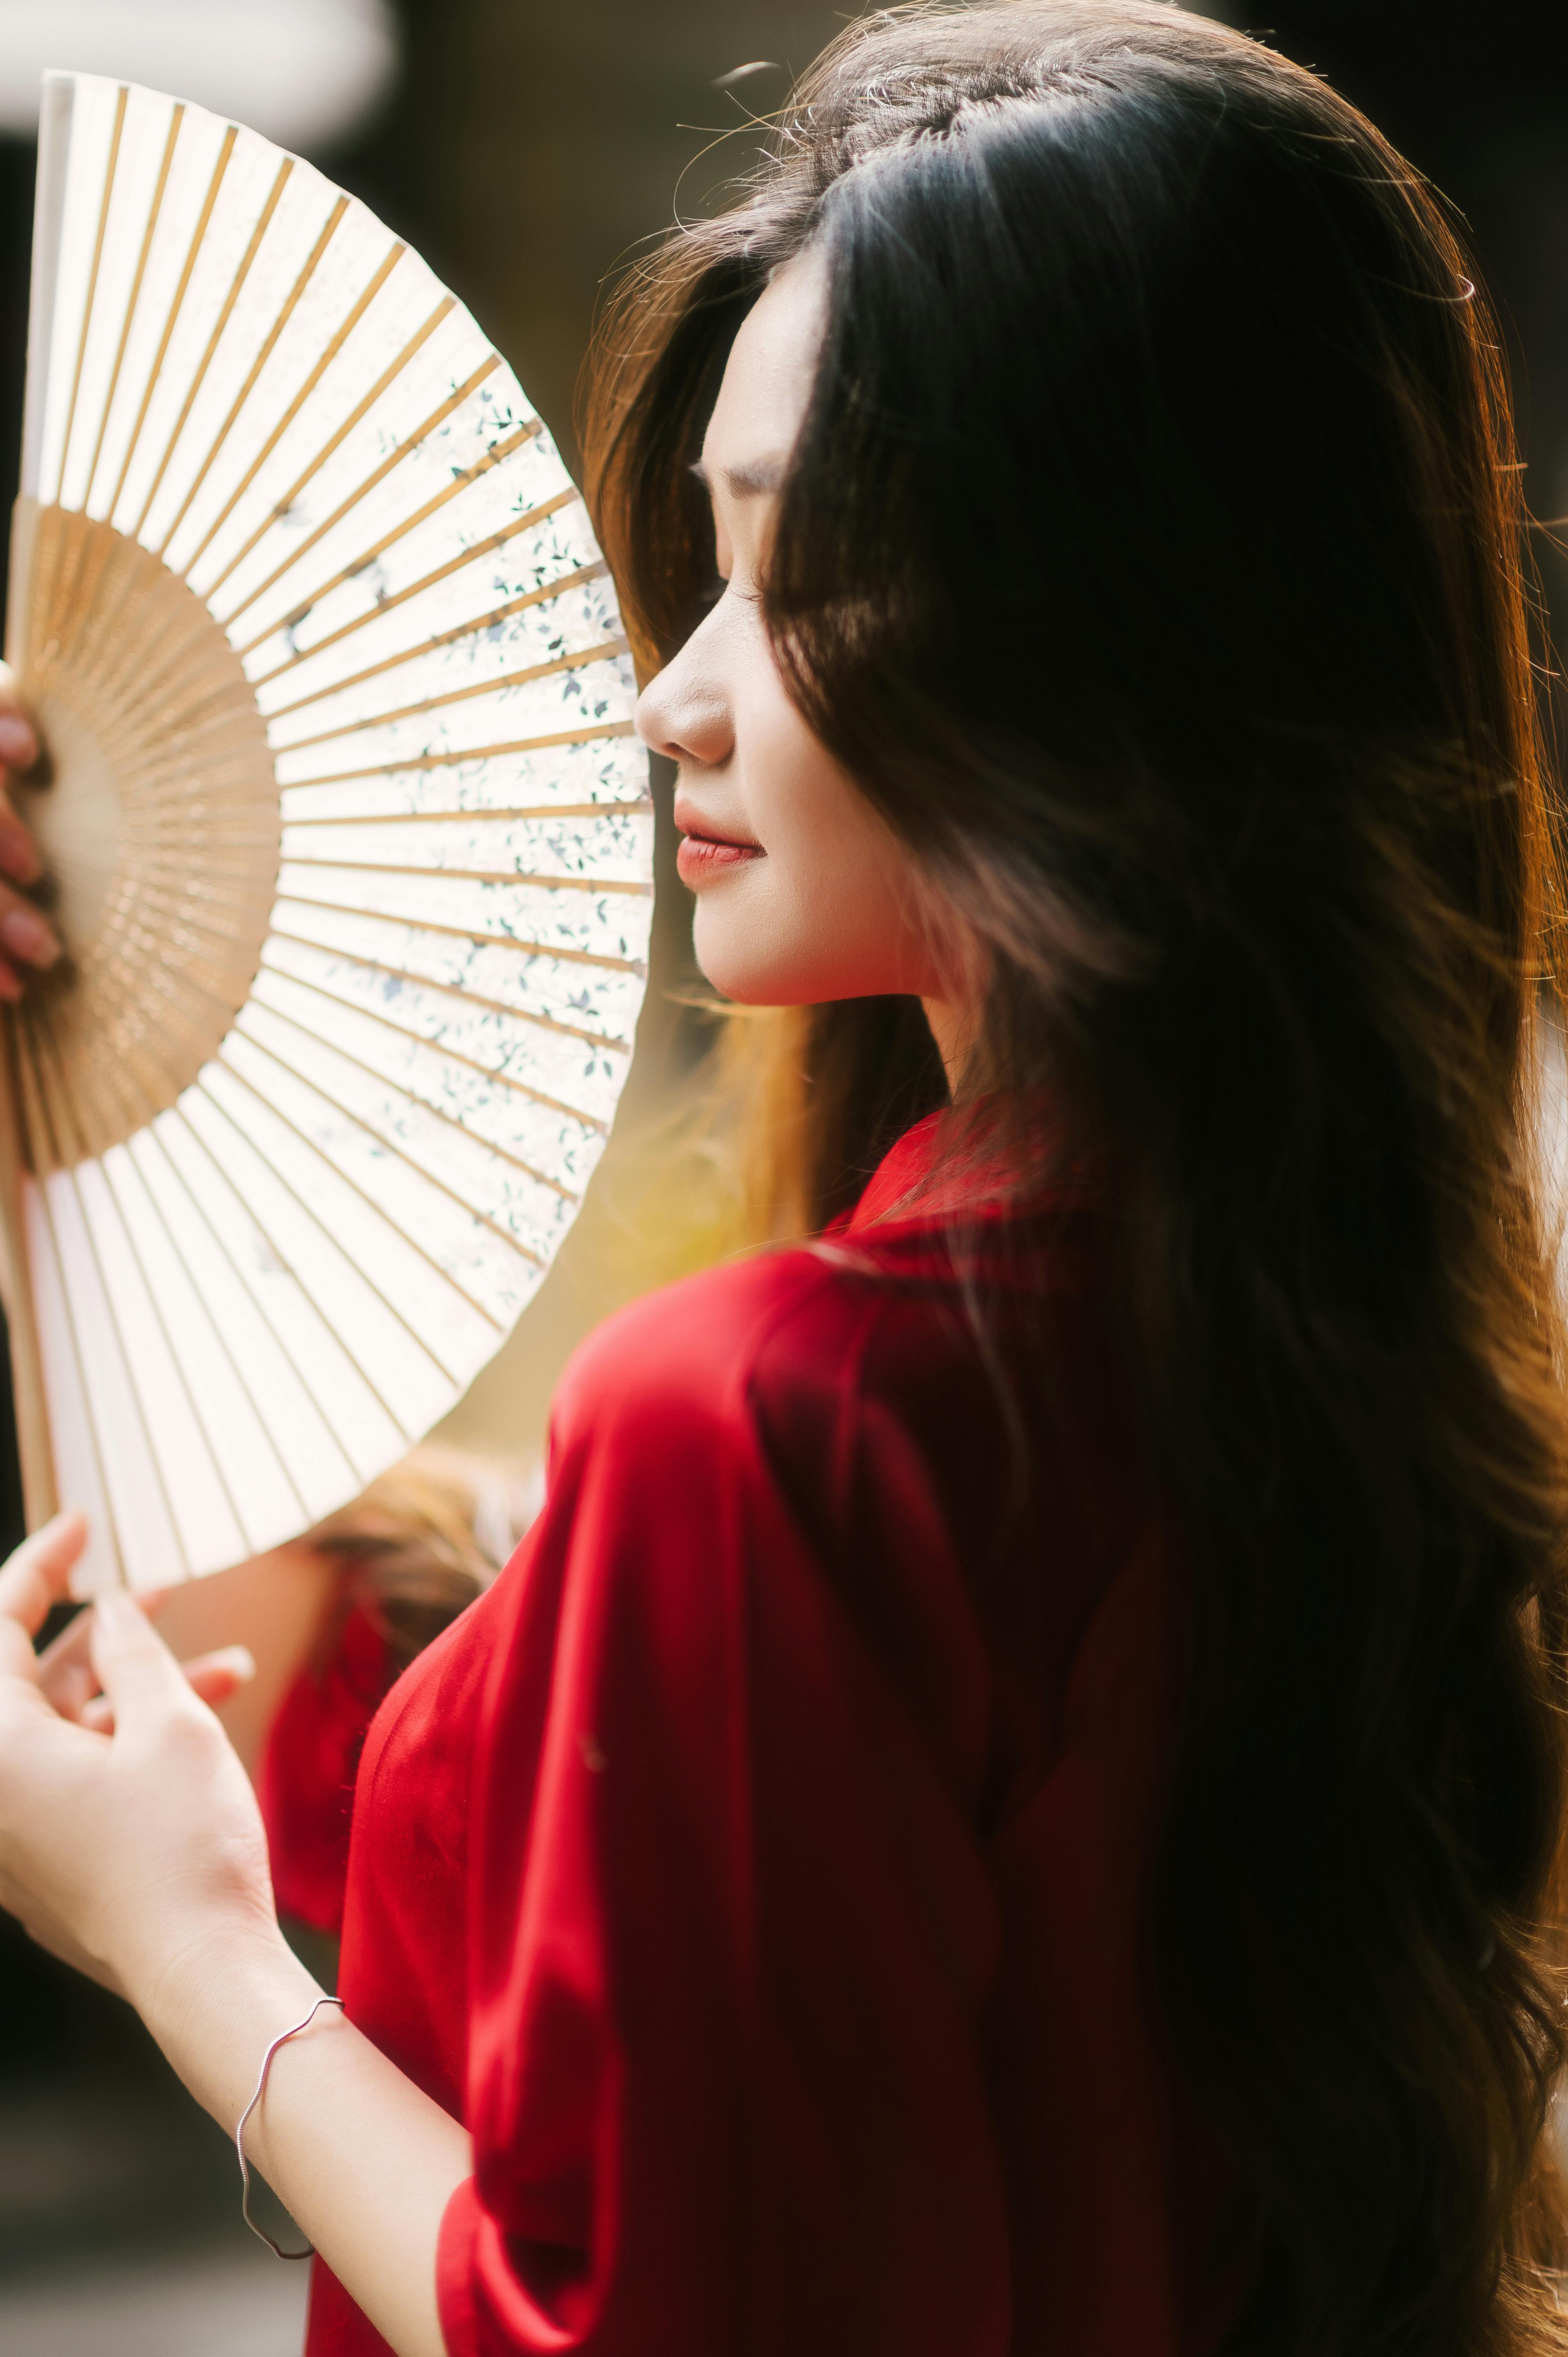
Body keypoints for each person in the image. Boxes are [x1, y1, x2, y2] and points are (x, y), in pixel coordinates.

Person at [0, 5, 1563, 2353]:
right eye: (713, 565)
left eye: (802, 573)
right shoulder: (1295, 1357)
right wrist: (76, 1060)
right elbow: (354, 1680)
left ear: (1119, 639)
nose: (677, 692)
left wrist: (193, 1956)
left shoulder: (769, 1426)